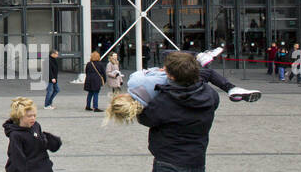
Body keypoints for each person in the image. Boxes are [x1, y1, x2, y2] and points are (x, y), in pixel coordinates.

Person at [136, 51, 219, 172]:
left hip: (168, 163)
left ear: (171, 75)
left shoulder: (165, 100)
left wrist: (143, 95)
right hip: (197, 161)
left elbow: (145, 118)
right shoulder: (210, 95)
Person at [105, 47, 260, 123]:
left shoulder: (152, 107)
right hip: (174, 74)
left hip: (180, 82)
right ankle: (200, 59)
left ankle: (202, 64)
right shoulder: (133, 81)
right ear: (121, 96)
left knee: (207, 75)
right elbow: (148, 71)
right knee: (168, 54)